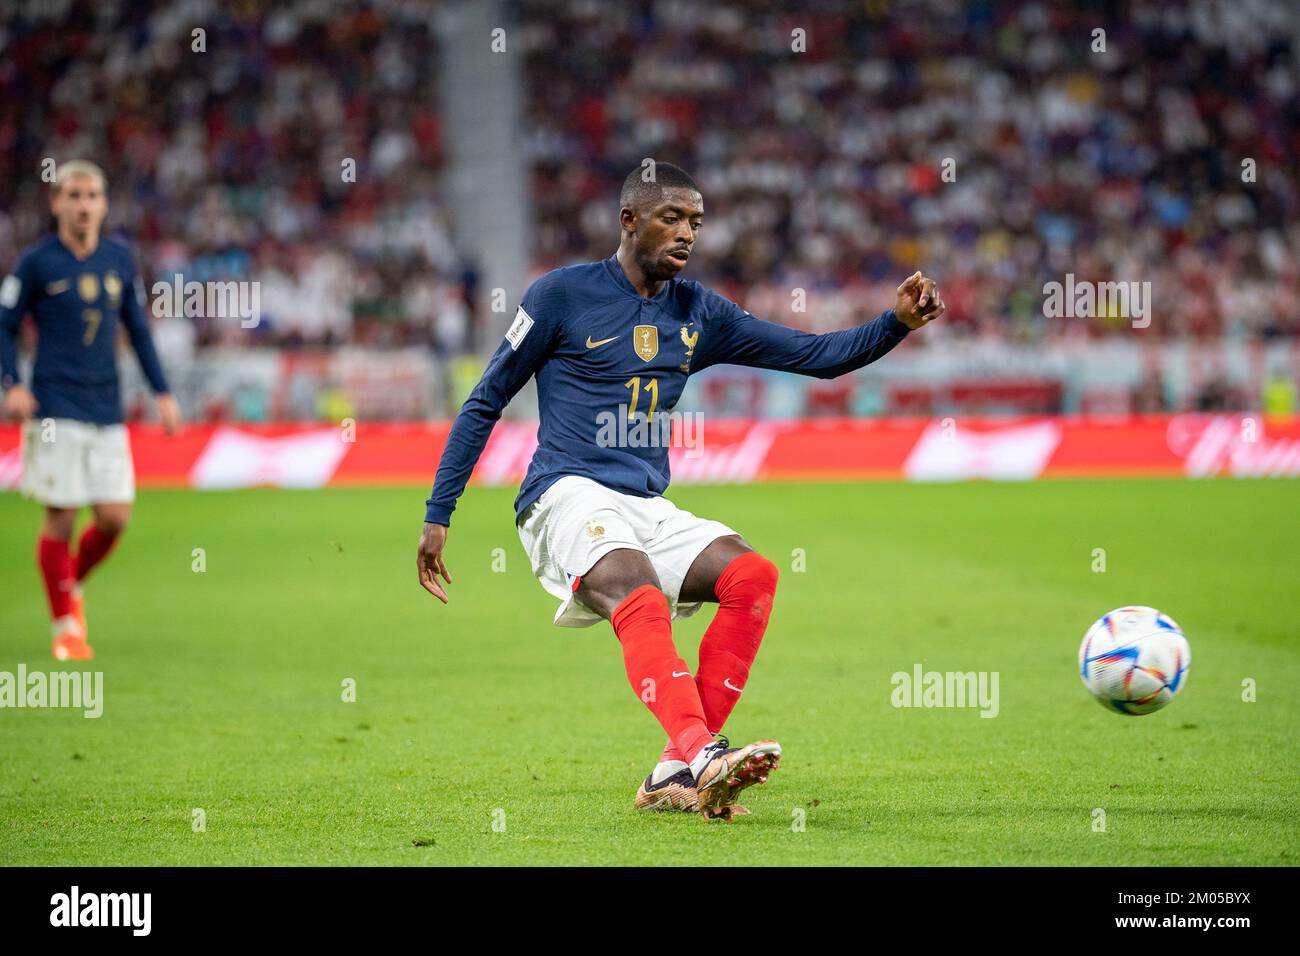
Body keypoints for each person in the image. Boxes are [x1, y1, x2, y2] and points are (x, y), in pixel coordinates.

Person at [417, 163, 943, 819]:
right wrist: (440, 512)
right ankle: (704, 754)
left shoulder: (699, 311)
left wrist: (893, 324)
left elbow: (816, 355)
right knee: (636, 587)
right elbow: (485, 399)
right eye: (672, 217)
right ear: (629, 221)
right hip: (565, 493)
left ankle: (677, 769)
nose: (687, 233)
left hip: (644, 503)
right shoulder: (560, 296)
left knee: (751, 575)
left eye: (695, 221)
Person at [0, 161, 180, 660]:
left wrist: (162, 392)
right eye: (73, 195)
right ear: (56, 202)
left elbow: (138, 330)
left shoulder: (120, 260)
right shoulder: (36, 263)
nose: (83, 205)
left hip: (106, 404)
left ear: (104, 203)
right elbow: (5, 325)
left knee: (115, 517)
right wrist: (11, 383)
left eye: (92, 196)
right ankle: (65, 628)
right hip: (54, 405)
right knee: (61, 517)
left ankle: (67, 584)